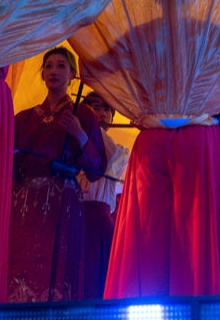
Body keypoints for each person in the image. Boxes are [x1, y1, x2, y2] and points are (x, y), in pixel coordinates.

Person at [8, 48, 106, 302]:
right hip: (25, 208)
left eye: (61, 66)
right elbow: (9, 168)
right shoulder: (23, 119)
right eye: (49, 66)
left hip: (63, 204)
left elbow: (96, 170)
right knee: (21, 266)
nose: (54, 71)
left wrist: (80, 135)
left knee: (59, 270)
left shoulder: (82, 115)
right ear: (42, 74)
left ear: (72, 74)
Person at [77, 92, 129, 299]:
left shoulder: (117, 151)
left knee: (100, 279)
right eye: (95, 108)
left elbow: (113, 167)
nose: (102, 113)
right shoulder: (75, 143)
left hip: (101, 218)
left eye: (107, 109)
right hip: (77, 216)